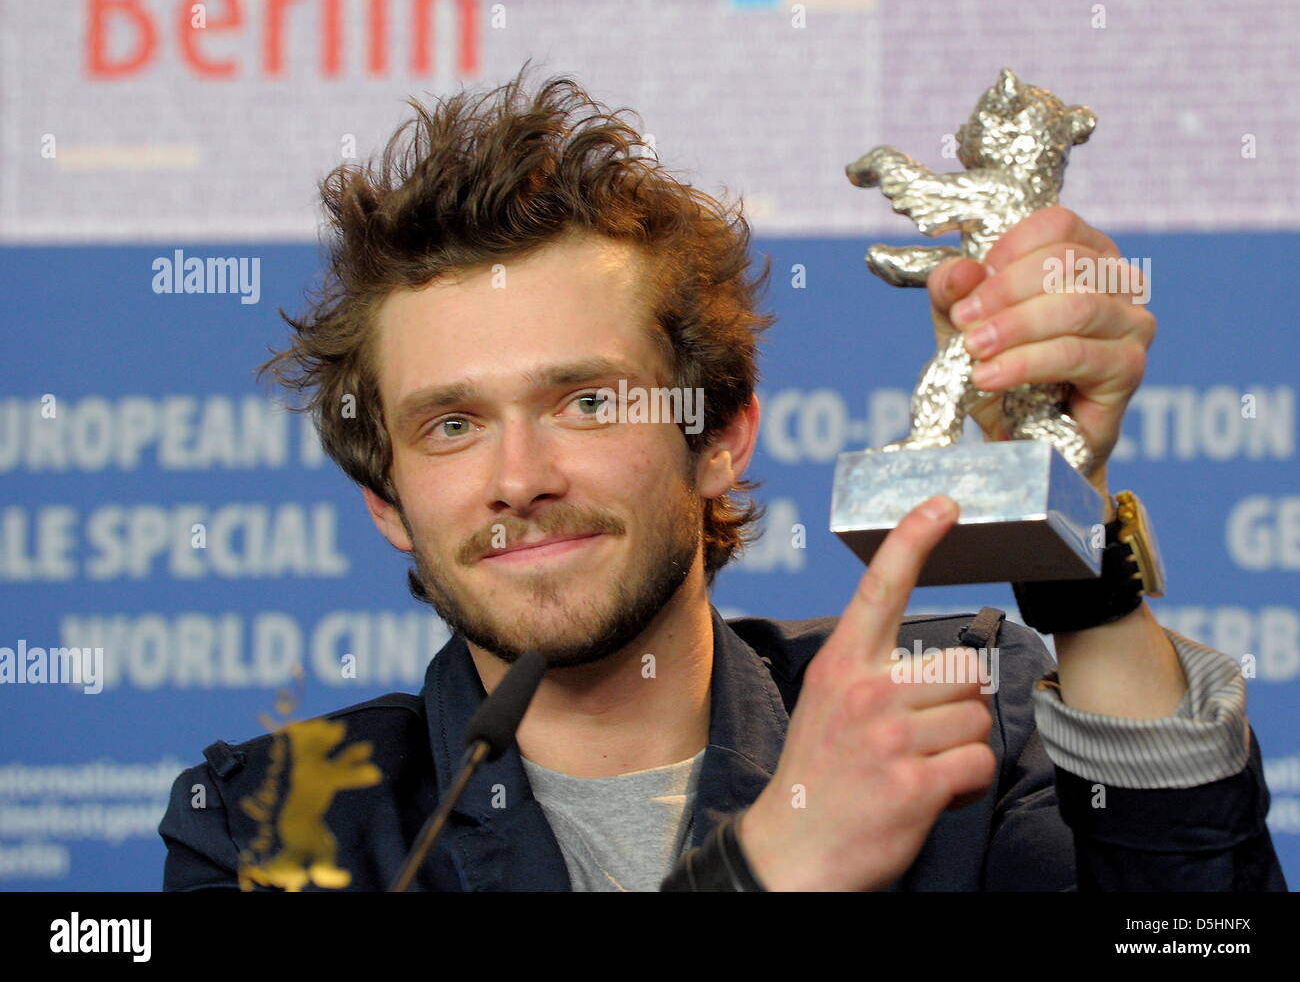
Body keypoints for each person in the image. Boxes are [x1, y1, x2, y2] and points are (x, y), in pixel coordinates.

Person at [158, 62, 1287, 892]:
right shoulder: (271, 825)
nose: (519, 476)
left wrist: (1056, 511)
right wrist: (771, 866)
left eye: (587, 401)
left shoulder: (956, 717)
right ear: (386, 499)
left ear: (723, 435)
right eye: (451, 424)